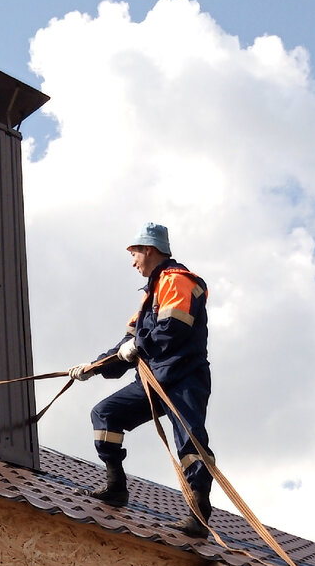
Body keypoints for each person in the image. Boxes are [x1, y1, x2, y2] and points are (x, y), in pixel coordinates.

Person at [69, 222, 215, 538]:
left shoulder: (177, 281)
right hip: (154, 378)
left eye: (134, 253)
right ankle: (116, 487)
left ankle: (199, 513)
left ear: (148, 250)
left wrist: (138, 346)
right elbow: (126, 345)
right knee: (105, 414)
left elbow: (173, 329)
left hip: (184, 377)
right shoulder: (150, 295)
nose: (132, 261)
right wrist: (93, 367)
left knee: (190, 440)